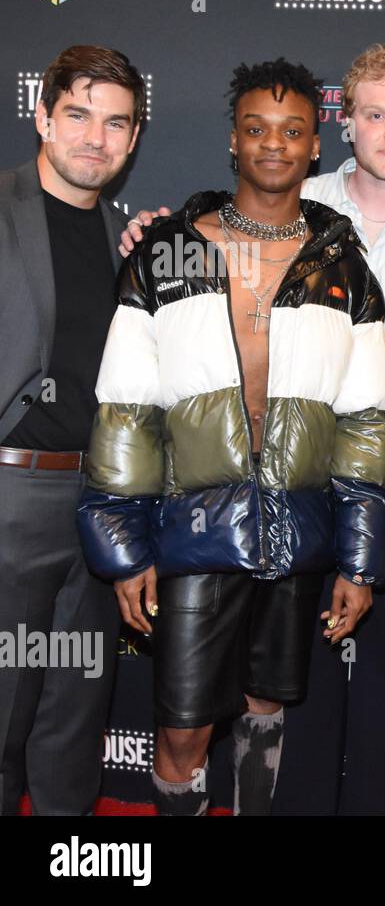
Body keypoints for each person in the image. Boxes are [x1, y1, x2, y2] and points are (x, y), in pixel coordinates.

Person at [117, 44, 385, 814]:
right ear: (235, 138)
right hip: (193, 524)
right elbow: (128, 408)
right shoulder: (182, 240)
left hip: (311, 512)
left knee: (270, 707)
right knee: (181, 722)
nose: (272, 143)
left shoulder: (359, 248)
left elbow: (368, 419)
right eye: (256, 128)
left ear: (314, 137)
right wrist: (123, 542)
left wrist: (359, 549)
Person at [0, 45, 143, 815]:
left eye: (116, 122)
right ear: (43, 116)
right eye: (80, 115)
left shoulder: (126, 237)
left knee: (72, 716)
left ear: (133, 138)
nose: (97, 137)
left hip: (95, 502)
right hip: (9, 496)